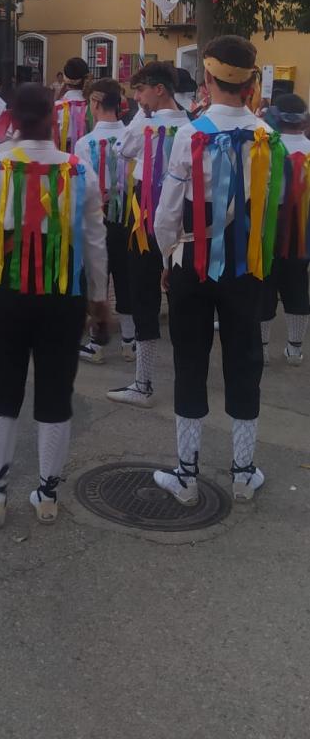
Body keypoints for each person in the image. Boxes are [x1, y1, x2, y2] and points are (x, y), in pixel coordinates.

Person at [0, 83, 108, 528]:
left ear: (14, 120)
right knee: (56, 389)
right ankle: (47, 495)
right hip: (64, 296)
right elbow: (94, 242)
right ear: (53, 119)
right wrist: (101, 300)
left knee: (1, 390)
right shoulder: (80, 170)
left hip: (6, 294)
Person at [153, 35, 276, 506]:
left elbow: (168, 209)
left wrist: (168, 255)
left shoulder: (191, 133)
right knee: (246, 358)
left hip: (193, 262)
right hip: (246, 266)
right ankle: (243, 471)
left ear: (207, 78)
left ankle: (186, 471)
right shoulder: (269, 137)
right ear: (250, 83)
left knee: (190, 358)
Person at [104, 62, 188, 408]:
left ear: (159, 89)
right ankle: (186, 377)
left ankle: (144, 381)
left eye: (140, 90)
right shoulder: (191, 124)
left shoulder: (145, 126)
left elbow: (119, 149)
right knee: (181, 295)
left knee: (144, 293)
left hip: (146, 211)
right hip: (183, 213)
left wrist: (143, 118)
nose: (136, 98)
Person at [74, 78, 135, 362]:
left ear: (95, 104)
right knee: (126, 276)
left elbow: (82, 187)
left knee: (98, 278)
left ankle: (98, 343)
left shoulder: (85, 144)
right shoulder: (131, 137)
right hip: (128, 216)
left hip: (96, 219)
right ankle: (129, 340)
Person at [260, 93, 310, 366]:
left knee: (265, 284)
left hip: (270, 222)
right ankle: (294, 348)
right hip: (303, 225)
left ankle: (263, 347)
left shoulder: (267, 147)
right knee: (298, 283)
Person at [53, 56, 91, 152]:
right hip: (87, 156)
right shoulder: (92, 106)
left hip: (62, 159)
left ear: (65, 78)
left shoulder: (57, 107)